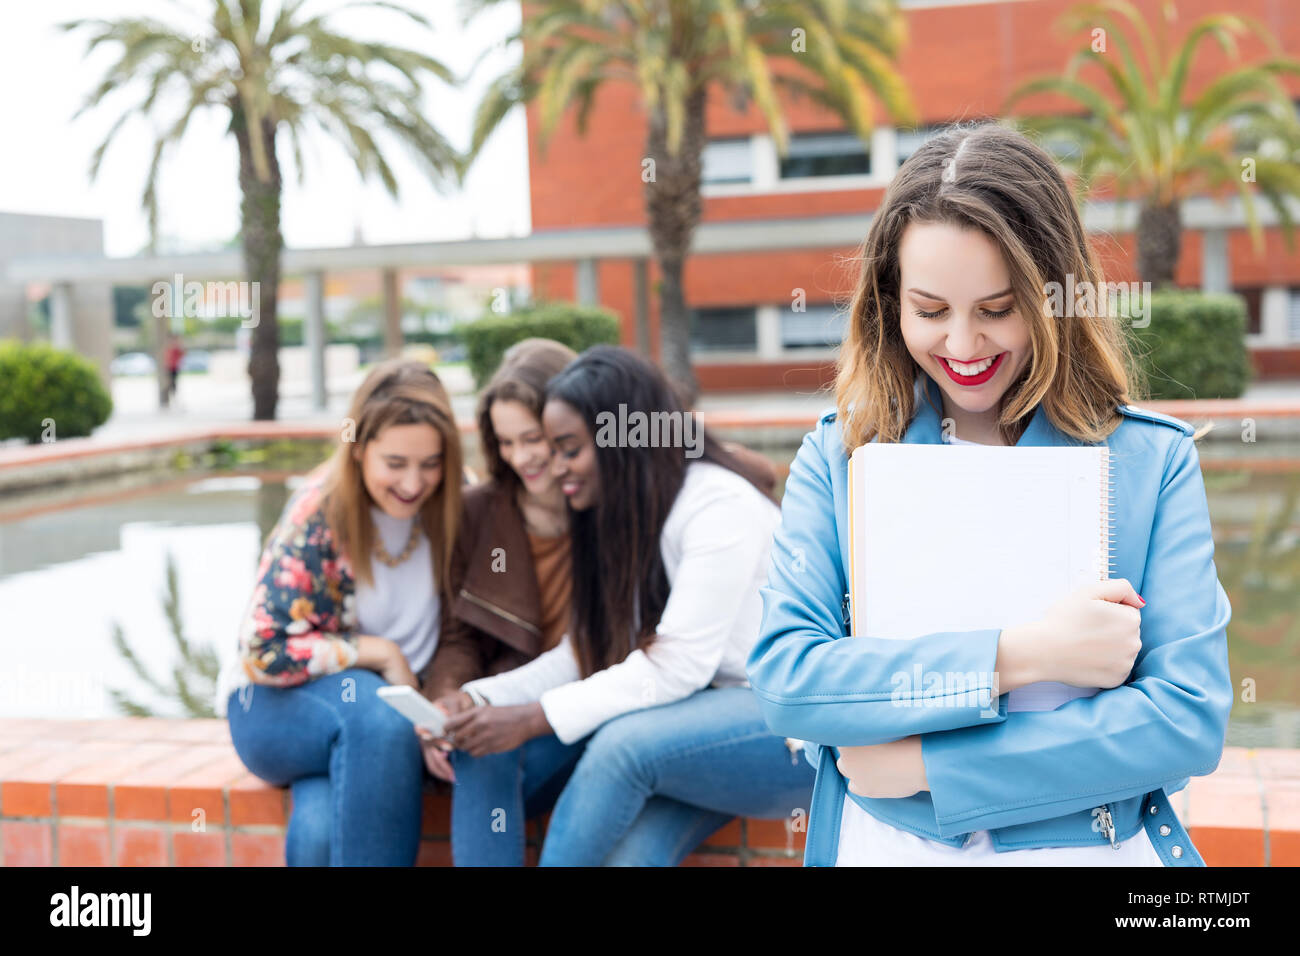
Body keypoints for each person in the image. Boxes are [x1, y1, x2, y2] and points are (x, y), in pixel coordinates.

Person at [746, 122, 1233, 867]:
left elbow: (1185, 721)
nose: (965, 347)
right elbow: (792, 682)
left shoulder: (1152, 461)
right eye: (931, 311)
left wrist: (928, 766)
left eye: (998, 309)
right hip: (885, 846)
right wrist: (1024, 655)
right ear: (890, 302)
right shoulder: (840, 457)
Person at [441, 345, 818, 866]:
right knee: (627, 856)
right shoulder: (626, 514)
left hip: (792, 730)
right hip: (689, 730)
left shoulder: (718, 508)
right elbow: (586, 652)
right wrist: (479, 698)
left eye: (568, 449)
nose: (556, 468)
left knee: (623, 744)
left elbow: (676, 667)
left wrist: (530, 718)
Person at [216, 358, 463, 866]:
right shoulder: (320, 512)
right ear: (358, 451)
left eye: (430, 464)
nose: (414, 483)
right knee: (378, 717)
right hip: (274, 707)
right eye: (395, 464)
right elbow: (264, 650)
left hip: (379, 725)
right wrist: (380, 654)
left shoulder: (461, 508)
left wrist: (439, 703)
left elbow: (469, 633)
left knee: (319, 826)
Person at [417, 338, 585, 866]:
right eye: (506, 442)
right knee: (483, 747)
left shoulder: (612, 508)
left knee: (493, 743)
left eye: (533, 437)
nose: (522, 457)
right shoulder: (478, 513)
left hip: (592, 709)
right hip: (505, 714)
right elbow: (459, 635)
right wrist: (446, 700)